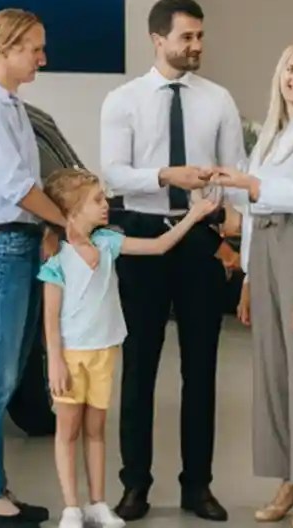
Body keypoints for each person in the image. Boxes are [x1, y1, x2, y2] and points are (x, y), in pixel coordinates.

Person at [99, 0, 246, 522]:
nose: (196, 46)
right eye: (187, 37)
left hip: (202, 241)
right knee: (139, 366)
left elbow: (237, 172)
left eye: (200, 36)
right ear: (158, 40)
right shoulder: (124, 100)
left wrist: (229, 226)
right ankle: (134, 486)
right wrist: (167, 176)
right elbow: (114, 174)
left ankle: (197, 486)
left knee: (201, 368)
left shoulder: (219, 100)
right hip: (142, 237)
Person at [38, 168, 217, 528]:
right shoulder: (57, 259)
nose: (107, 206)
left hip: (104, 353)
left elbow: (160, 246)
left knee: (96, 431)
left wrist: (195, 216)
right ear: (72, 211)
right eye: (97, 201)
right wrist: (55, 361)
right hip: (72, 357)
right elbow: (50, 320)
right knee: (68, 431)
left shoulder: (108, 242)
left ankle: (98, 502)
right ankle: (71, 507)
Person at [213, 41, 293, 526]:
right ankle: (291, 476)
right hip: (264, 253)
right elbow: (250, 212)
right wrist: (246, 277)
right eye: (291, 69)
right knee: (272, 372)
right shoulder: (268, 134)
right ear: (279, 74)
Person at [0, 8, 67, 527]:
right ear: (3, 47)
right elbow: (17, 188)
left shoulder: (13, 106)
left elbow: (33, 185)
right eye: (34, 49)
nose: (42, 58)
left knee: (10, 372)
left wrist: (49, 226)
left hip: (19, 243)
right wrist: (70, 222)